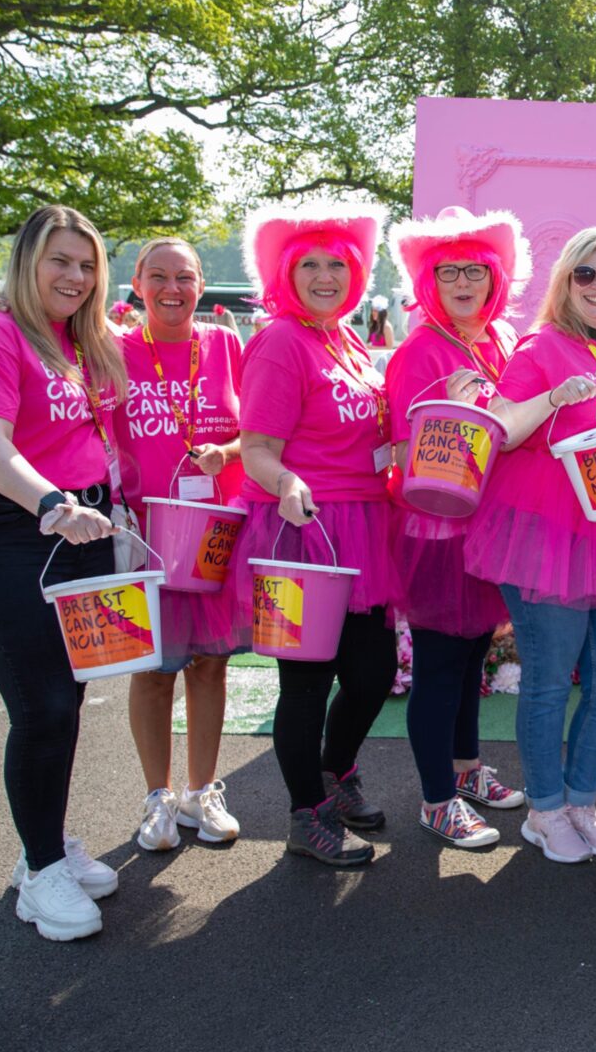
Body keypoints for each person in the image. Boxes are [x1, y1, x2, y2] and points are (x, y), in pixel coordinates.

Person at [0, 205, 127, 941]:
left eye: (87, 265)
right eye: (60, 261)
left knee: (67, 703)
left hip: (72, 537)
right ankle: (40, 871)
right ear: (26, 262)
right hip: (2, 536)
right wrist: (53, 504)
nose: (75, 277)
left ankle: (45, 847)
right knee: (42, 707)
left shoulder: (74, 344)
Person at [464, 227, 596, 864]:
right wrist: (551, 396)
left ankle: (581, 801)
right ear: (566, 281)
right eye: (587, 274)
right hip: (547, 542)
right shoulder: (541, 345)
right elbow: (504, 431)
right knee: (548, 685)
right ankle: (544, 811)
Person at [228, 202, 399, 867]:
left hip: (363, 532)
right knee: (303, 684)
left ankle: (335, 771)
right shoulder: (279, 341)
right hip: (304, 532)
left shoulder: (346, 340)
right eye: (310, 266)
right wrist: (288, 484)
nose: (326, 277)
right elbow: (258, 448)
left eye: (338, 264)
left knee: (372, 674)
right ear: (285, 274)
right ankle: (307, 815)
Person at [384, 206, 530, 848]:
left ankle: (466, 770)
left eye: (476, 271)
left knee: (473, 655)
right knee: (442, 664)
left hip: (488, 527)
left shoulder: (496, 341)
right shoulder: (420, 349)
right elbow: (409, 446)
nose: (464, 283)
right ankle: (436, 799)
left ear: (495, 278)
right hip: (437, 532)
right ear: (429, 284)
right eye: (449, 273)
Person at [113, 238, 246, 852]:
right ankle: (158, 798)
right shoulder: (112, 351)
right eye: (159, 277)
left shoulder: (224, 344)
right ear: (137, 283)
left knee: (210, 662)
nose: (173, 289)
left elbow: (259, 429)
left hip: (215, 533)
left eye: (185, 277)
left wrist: (228, 452)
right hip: (146, 536)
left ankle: (202, 791)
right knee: (154, 669)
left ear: (201, 284)